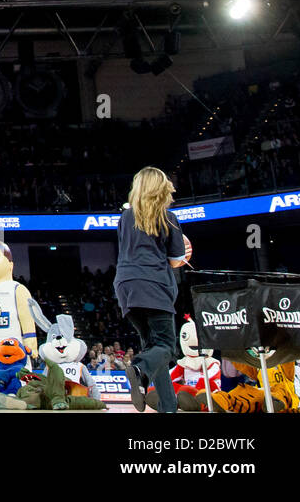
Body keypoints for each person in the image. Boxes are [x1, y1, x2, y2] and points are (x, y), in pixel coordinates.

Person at [114, 167, 187, 414]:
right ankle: (139, 370)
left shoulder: (125, 217)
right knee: (166, 347)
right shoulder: (168, 218)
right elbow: (176, 259)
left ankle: (168, 406)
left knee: (153, 348)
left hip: (125, 286)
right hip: (154, 286)